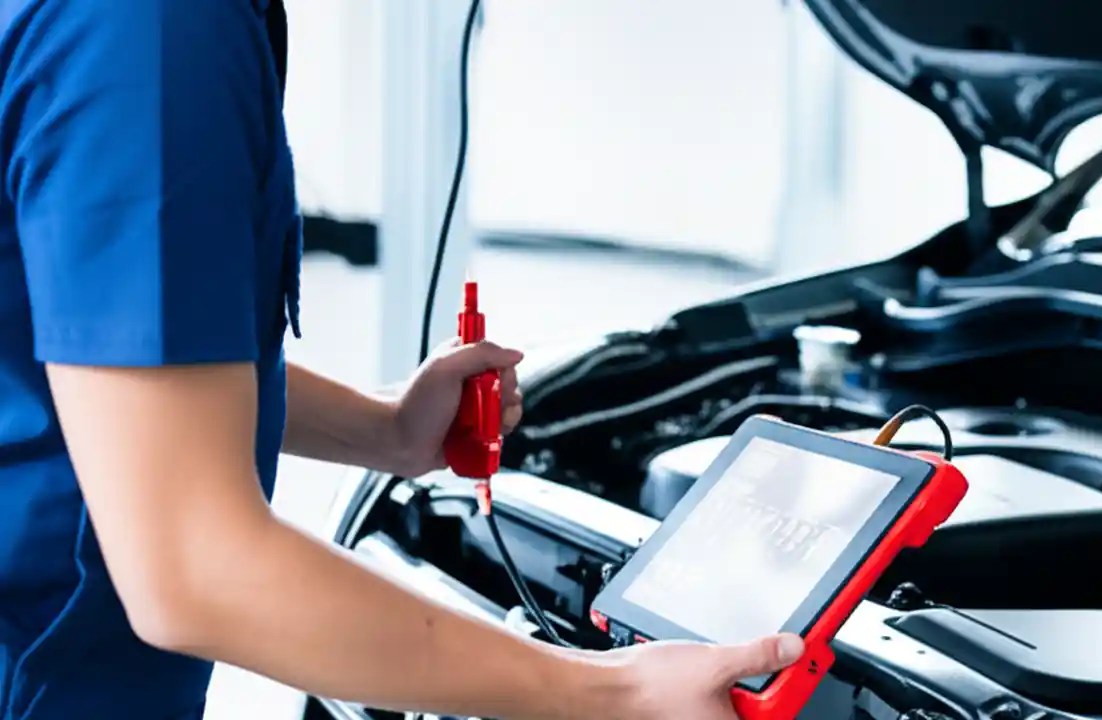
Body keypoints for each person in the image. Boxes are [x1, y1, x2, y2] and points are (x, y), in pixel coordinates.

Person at [0, 1, 803, 718]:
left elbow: (118, 351)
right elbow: (195, 570)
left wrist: (384, 431)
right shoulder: (151, 31)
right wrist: (608, 692)